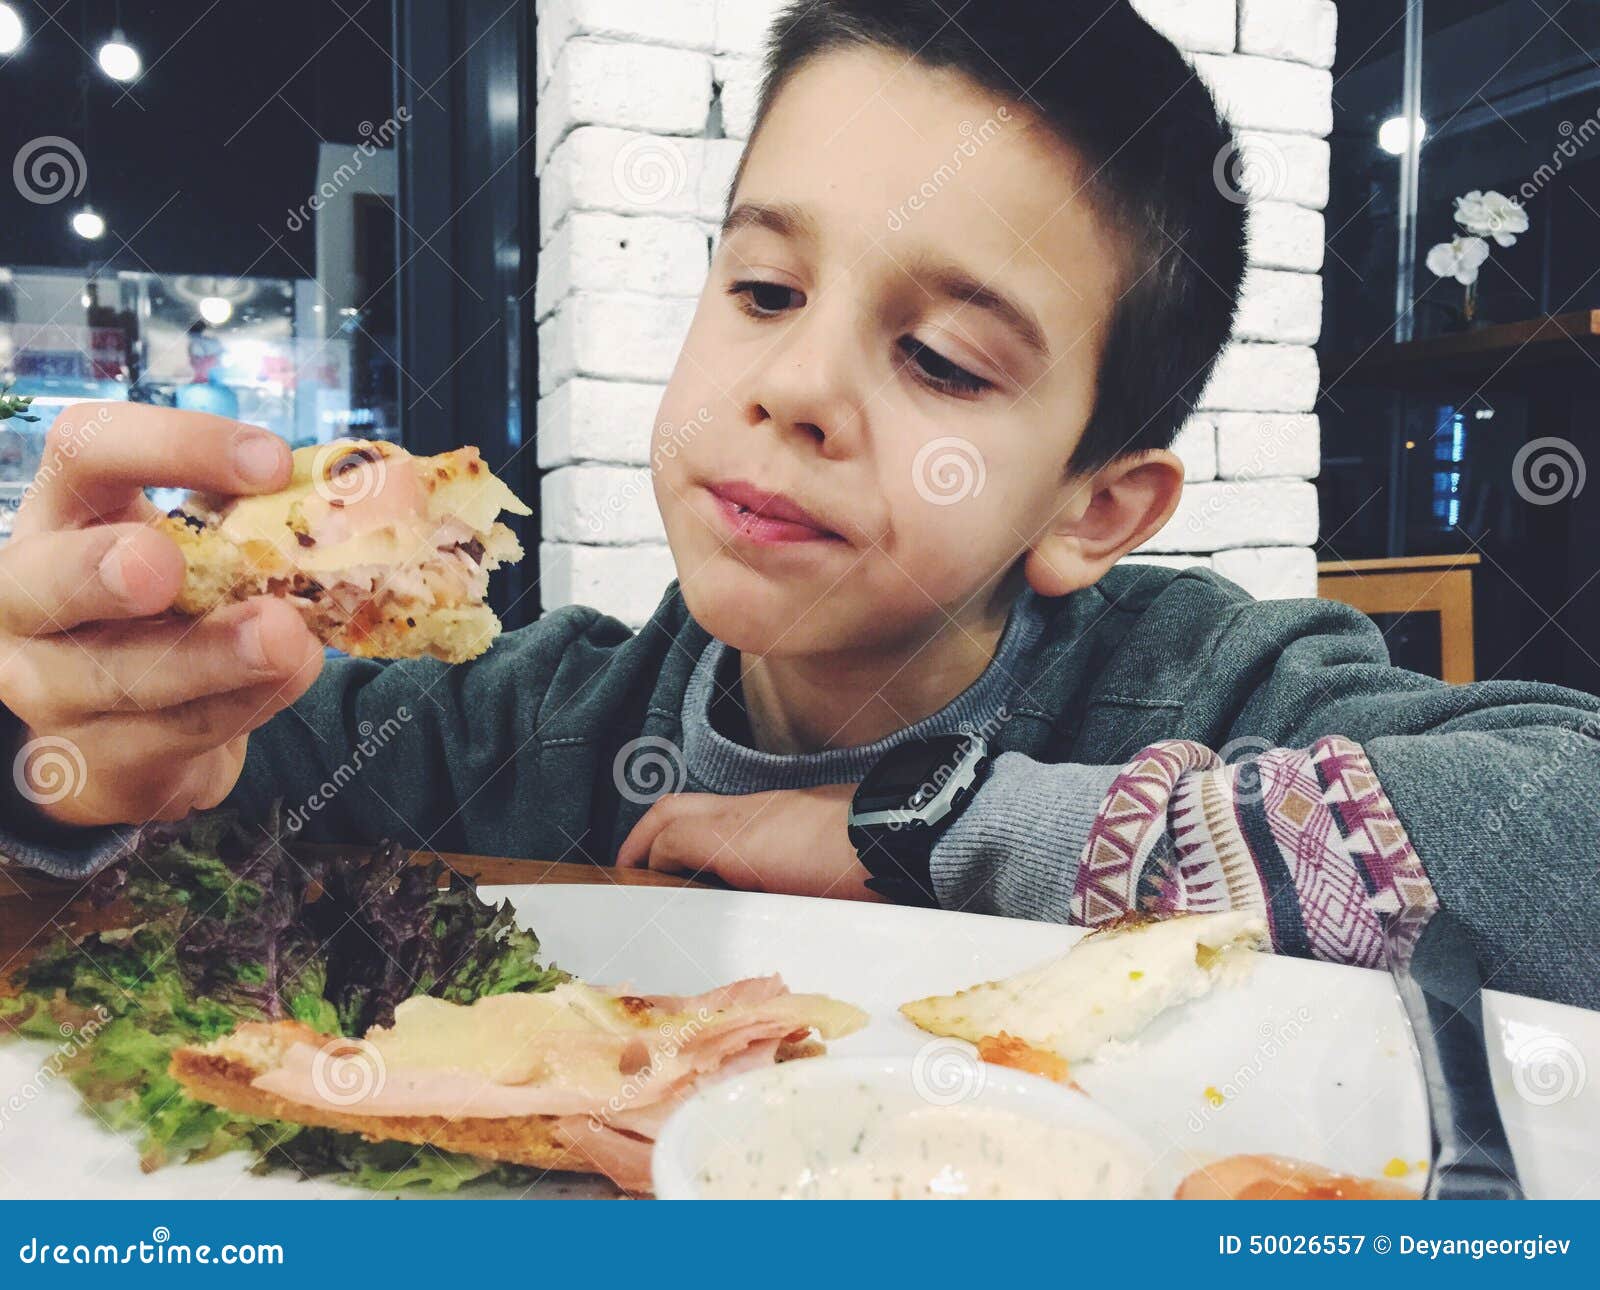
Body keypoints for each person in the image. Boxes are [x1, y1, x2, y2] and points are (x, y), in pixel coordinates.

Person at [2, 0, 1597, 1008]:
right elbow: (173, 778)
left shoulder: (1197, 686)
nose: (798, 385)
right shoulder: (539, 725)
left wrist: (934, 832)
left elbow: (1568, 831)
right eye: (765, 288)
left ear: (1096, 507)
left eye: (943, 359)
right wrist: (72, 732)